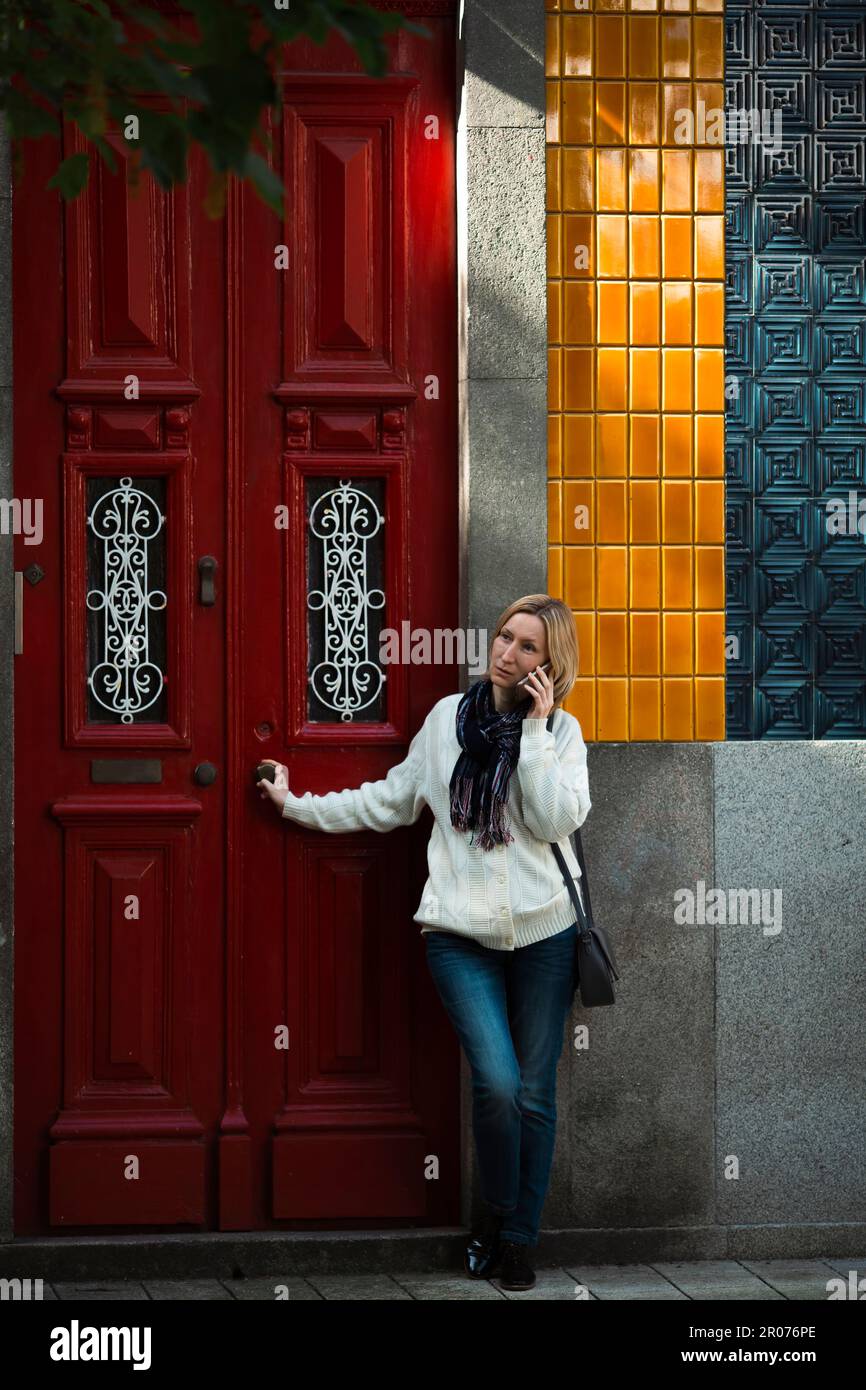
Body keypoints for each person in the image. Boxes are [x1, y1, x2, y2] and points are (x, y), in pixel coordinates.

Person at [257, 594, 590, 1292]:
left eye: (529, 647)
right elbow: (394, 797)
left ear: (551, 666)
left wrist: (532, 732)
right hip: (458, 934)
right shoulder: (446, 721)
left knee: (534, 1092)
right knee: (497, 1085)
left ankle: (518, 1242)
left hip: (545, 934)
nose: (508, 652)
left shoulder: (562, 736)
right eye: (505, 636)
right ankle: (498, 1216)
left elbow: (557, 817)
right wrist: (297, 806)